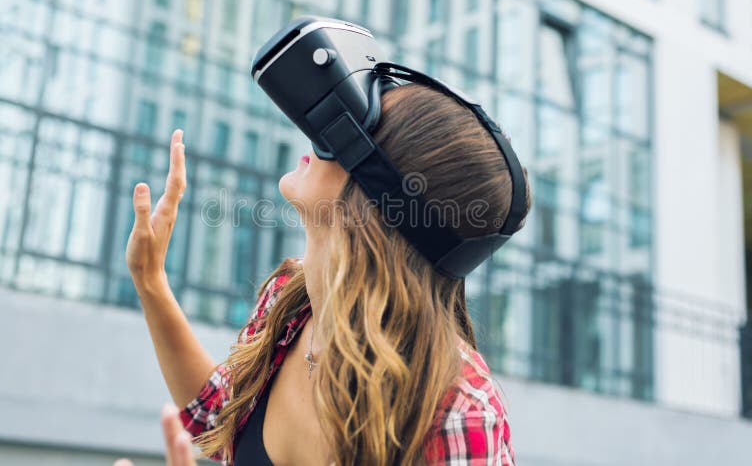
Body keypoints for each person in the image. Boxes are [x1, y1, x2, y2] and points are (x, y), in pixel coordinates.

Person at [123, 83, 531, 465]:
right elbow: (217, 417)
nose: (318, 136)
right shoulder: (290, 301)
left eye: (352, 132)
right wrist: (150, 280)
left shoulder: (460, 409)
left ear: (379, 199)